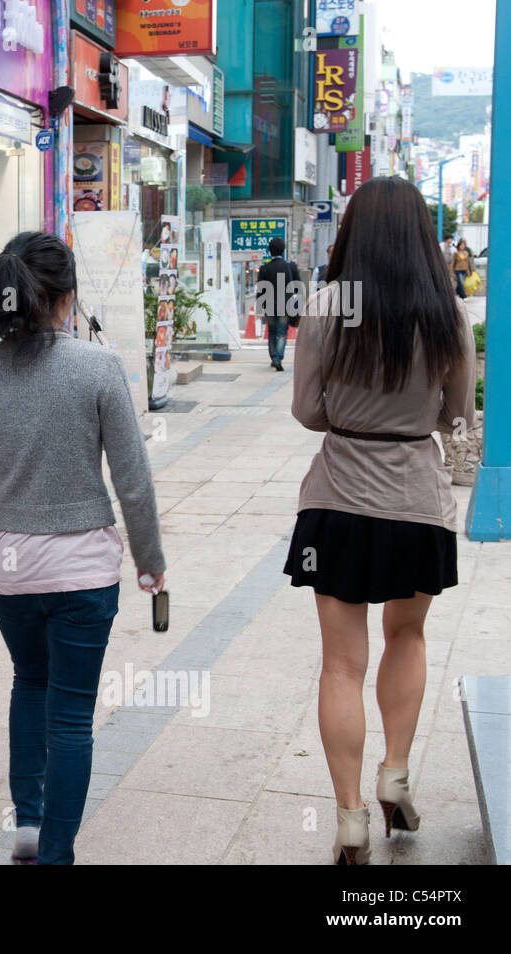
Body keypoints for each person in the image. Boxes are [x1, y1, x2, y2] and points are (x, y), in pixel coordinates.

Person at [0, 231, 166, 866]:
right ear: (65, 299)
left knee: (28, 682)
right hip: (82, 569)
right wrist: (150, 562)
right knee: (71, 717)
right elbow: (133, 480)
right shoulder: (97, 368)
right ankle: (58, 853)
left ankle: (30, 829)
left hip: (10, 570)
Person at [283, 177, 476, 865]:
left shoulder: (328, 305)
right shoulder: (447, 313)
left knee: (341, 663)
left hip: (336, 499)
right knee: (409, 635)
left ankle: (351, 819)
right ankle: (394, 772)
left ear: (353, 235)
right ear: (422, 236)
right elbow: (458, 418)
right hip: (416, 505)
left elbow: (307, 411)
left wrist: (352, 419)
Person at [255, 237, 300, 371]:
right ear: (283, 250)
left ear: (270, 251)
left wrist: (260, 305)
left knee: (272, 332)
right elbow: (297, 286)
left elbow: (261, 289)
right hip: (285, 306)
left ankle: (274, 356)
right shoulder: (290, 266)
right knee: (282, 333)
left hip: (269, 306)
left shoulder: (265, 268)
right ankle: (278, 358)